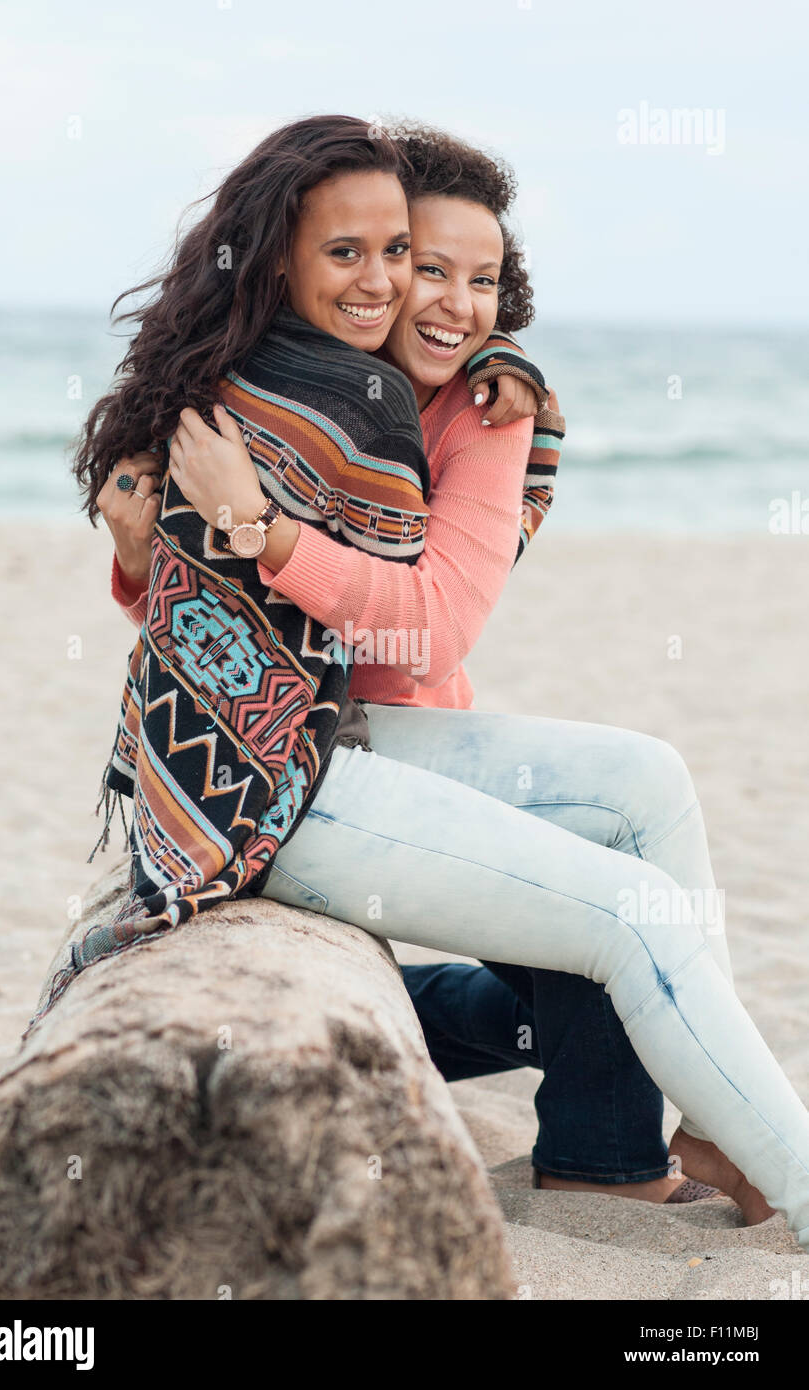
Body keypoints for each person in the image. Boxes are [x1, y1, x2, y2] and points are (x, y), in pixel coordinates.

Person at [77, 115, 809, 1247]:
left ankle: (614, 1150)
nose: (433, 297)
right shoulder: (300, 386)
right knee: (628, 926)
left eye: (480, 278)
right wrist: (153, 550)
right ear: (315, 251)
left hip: (372, 735)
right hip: (286, 774)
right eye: (412, 262)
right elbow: (188, 592)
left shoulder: (467, 401)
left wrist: (258, 530)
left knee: (644, 788)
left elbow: (425, 622)